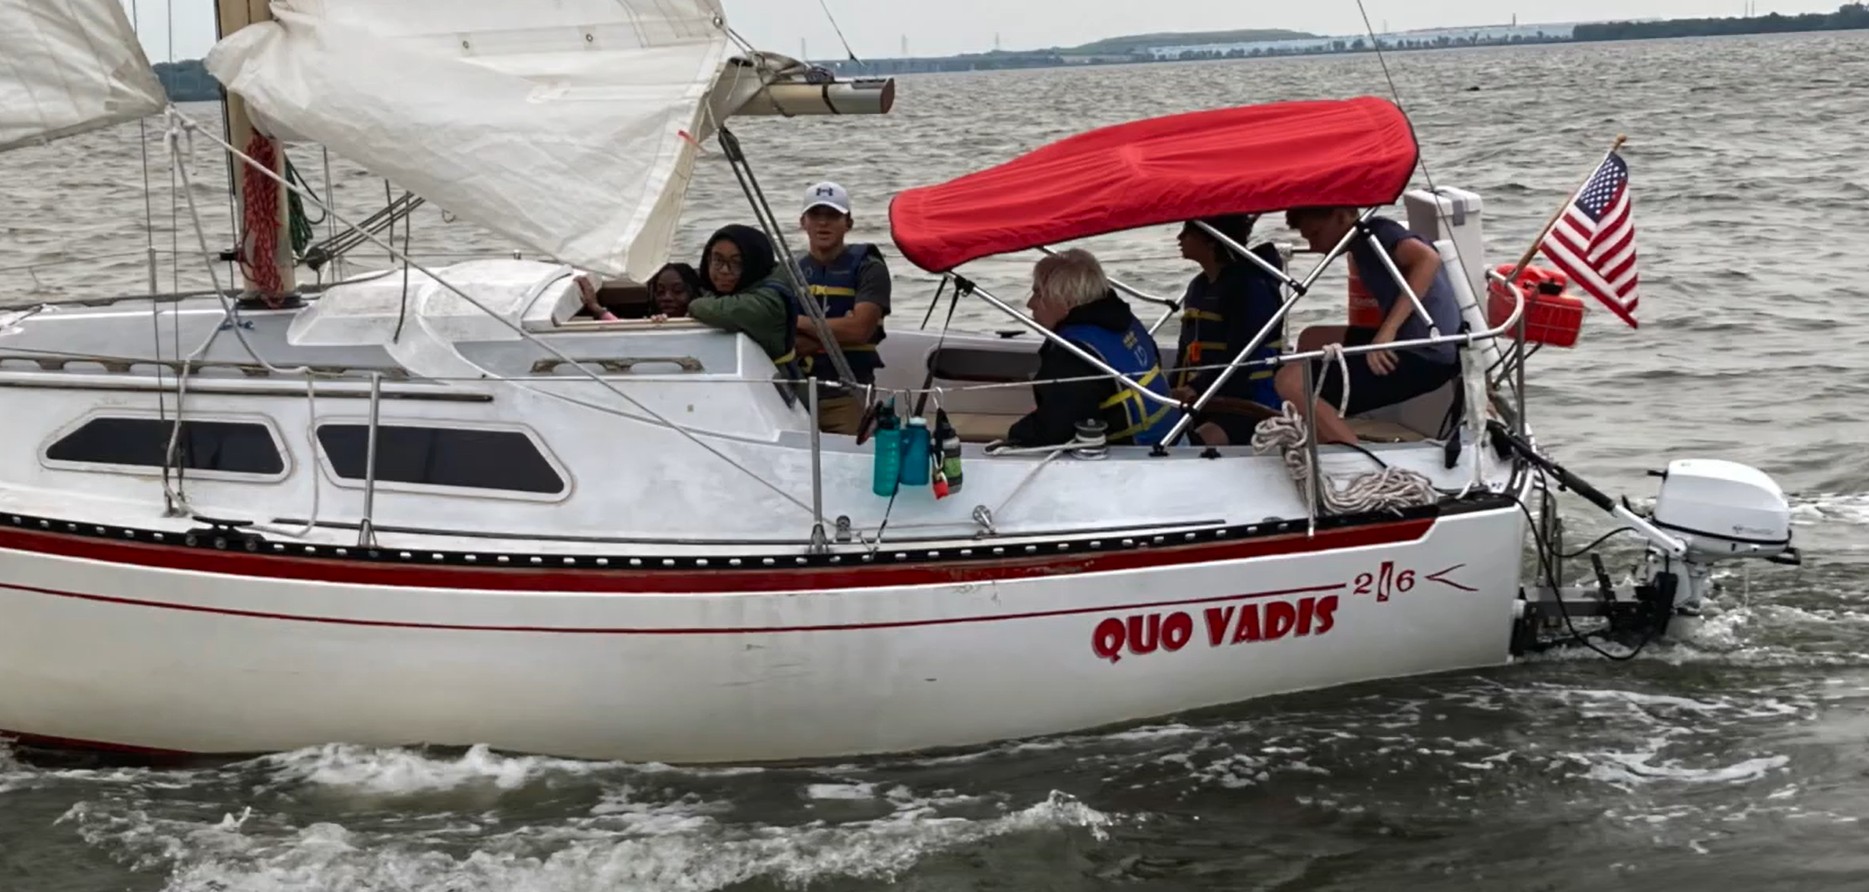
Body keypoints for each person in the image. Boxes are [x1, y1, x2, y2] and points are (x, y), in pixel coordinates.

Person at [1276, 206, 1465, 444]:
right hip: (1409, 340)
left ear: (1342, 216)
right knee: (1313, 338)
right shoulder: (1361, 245)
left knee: (1290, 381)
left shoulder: (1379, 234)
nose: (1314, 247)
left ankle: (1352, 451)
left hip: (1425, 352)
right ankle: (1317, 423)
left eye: (1315, 234)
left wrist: (1387, 333)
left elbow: (1428, 258)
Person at [1003, 248, 1183, 449]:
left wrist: (1014, 435)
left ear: (1066, 301)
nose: (1030, 304)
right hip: (1175, 439)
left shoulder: (1073, 354)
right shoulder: (1125, 322)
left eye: (1038, 294)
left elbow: (1056, 432)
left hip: (1138, 459)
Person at [1168, 214, 1286, 446]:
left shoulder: (1250, 287)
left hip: (1248, 403)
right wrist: (1173, 388)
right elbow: (1185, 350)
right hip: (1203, 397)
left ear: (1212, 240)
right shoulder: (1198, 287)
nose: (1179, 238)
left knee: (1198, 443)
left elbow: (1242, 356)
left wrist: (1197, 387)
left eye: (1187, 231)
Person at [792, 181, 891, 435]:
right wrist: (835, 330)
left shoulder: (869, 268)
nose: (823, 223)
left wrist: (798, 322)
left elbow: (859, 330)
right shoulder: (790, 271)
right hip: (796, 396)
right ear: (803, 222)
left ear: (848, 223)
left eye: (833, 216)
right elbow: (783, 339)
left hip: (848, 395)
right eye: (816, 215)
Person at [686, 224, 805, 388]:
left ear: (753, 264)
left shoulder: (770, 301)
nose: (724, 270)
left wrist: (693, 304)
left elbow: (720, 311)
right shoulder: (720, 292)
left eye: (736, 263)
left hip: (776, 391)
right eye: (717, 260)